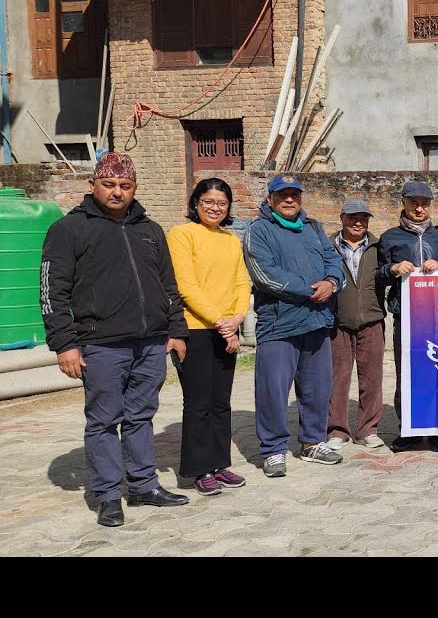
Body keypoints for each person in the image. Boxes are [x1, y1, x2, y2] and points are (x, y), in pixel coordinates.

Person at [40, 152, 190, 527]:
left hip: (151, 342)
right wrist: (64, 344)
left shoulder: (150, 229)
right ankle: (108, 495)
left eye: (125, 186)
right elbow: (51, 291)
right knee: (104, 420)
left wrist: (176, 330)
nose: (117, 192)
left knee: (141, 416)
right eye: (109, 184)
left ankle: (143, 485)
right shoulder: (69, 230)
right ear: (92, 186)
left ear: (135, 188)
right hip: (100, 345)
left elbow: (168, 285)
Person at [243, 174, 346, 477]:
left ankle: (313, 441)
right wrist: (312, 289)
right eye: (283, 194)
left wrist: (331, 282)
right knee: (273, 390)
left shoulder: (314, 227)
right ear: (271, 199)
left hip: (317, 321)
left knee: (317, 387)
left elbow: (334, 260)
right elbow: (265, 274)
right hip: (279, 323)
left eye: (294, 194)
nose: (290, 200)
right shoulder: (258, 231)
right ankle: (273, 449)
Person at [167, 177, 251, 497]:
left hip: (226, 329)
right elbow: (185, 286)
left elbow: (242, 282)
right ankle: (198, 468)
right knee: (198, 402)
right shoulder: (182, 234)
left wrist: (237, 319)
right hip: (196, 328)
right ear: (196, 203)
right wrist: (221, 321)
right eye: (208, 202)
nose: (215, 208)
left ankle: (219, 463)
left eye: (221, 203)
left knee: (221, 402)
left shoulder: (231, 240)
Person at [379, 180, 438, 452]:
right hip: (407, 315)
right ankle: (409, 429)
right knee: (408, 373)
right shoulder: (390, 237)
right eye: (413, 202)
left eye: (424, 203)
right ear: (403, 202)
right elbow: (377, 274)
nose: (419, 208)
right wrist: (392, 268)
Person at [325, 199, 388, 452]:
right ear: (341, 218)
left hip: (372, 320)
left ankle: (368, 429)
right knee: (337, 379)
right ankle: (337, 431)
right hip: (337, 322)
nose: (358, 222)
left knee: (372, 378)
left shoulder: (377, 246)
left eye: (363, 217)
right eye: (352, 217)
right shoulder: (327, 246)